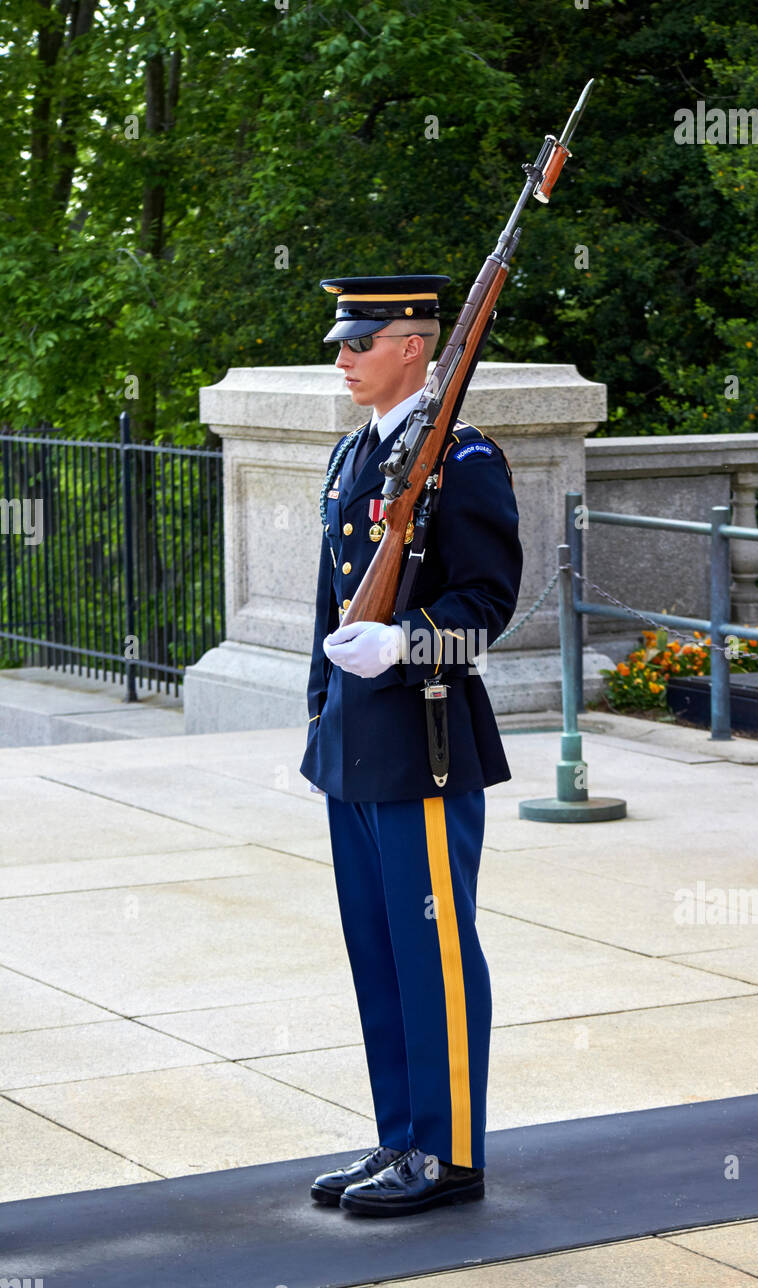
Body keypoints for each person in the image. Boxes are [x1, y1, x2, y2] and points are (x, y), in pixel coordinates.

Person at [300, 274, 522, 1216]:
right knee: (379, 950)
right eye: (342, 343)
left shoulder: (462, 458)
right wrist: (320, 717)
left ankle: (450, 1151)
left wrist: (404, 641)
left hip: (425, 745)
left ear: (416, 348)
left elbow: (488, 608)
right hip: (355, 748)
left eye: (360, 341)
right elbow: (330, 603)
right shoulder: (357, 454)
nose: (343, 359)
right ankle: (399, 1137)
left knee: (433, 953)